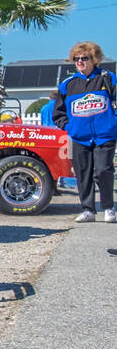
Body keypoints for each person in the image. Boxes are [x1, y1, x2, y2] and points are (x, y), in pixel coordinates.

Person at [53, 41, 116, 223]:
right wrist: (69, 127)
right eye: (76, 59)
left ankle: (108, 208)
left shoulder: (109, 79)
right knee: (82, 173)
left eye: (84, 58)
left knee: (103, 170)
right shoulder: (67, 85)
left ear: (94, 59)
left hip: (105, 135)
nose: (80, 61)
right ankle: (88, 209)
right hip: (79, 137)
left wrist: (113, 122)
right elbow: (58, 113)